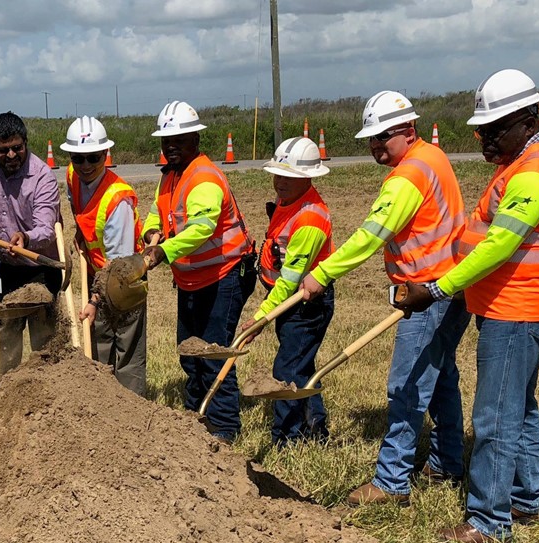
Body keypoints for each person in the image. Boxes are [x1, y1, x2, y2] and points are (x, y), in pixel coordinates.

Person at [398, 69, 539, 543]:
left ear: (527, 118)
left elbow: (498, 244)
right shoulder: (518, 163)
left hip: (518, 310)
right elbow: (480, 229)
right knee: (520, 406)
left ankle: (489, 522)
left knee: (494, 415)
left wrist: (436, 289)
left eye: (494, 130)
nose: (484, 139)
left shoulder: (537, 172)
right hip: (514, 307)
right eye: (481, 130)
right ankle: (527, 498)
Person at [299, 91, 471, 506]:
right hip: (451, 287)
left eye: (383, 136)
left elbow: (370, 236)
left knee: (407, 384)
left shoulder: (407, 177)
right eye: (371, 139)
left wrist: (321, 274)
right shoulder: (434, 157)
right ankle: (448, 460)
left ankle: (392, 481)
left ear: (408, 130)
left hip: (426, 294)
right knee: (441, 377)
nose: (376, 145)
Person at [141, 100, 256, 443]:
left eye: (179, 138)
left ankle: (223, 428)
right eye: (166, 140)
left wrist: (163, 250)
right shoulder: (170, 177)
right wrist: (151, 233)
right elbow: (155, 214)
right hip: (192, 279)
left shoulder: (204, 178)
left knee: (213, 353)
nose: (171, 145)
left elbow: (202, 229)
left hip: (224, 276)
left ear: (195, 138)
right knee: (190, 351)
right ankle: (196, 416)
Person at [239, 137, 335, 446]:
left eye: (288, 177)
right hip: (289, 300)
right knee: (301, 365)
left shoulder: (309, 219)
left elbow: (291, 280)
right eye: (277, 174)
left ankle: (287, 439)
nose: (279, 182)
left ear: (307, 178)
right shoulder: (287, 201)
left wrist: (260, 318)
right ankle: (314, 429)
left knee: (286, 369)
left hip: (305, 304)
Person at [0, 111, 62, 375]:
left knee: (44, 342)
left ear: (25, 142)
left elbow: (46, 229)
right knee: (7, 337)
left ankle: (46, 390)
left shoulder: (42, 176)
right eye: (3, 150)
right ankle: (8, 390)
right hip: (5, 269)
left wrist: (26, 237)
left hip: (41, 268)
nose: (12, 156)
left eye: (17, 148)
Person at [63, 116, 147, 395]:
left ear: (105, 154)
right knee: (97, 339)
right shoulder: (72, 175)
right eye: (79, 158)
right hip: (97, 270)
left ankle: (129, 407)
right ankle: (101, 401)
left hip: (124, 279)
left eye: (93, 158)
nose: (86, 166)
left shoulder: (117, 199)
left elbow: (118, 267)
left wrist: (95, 300)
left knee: (126, 349)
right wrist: (79, 232)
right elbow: (79, 209)